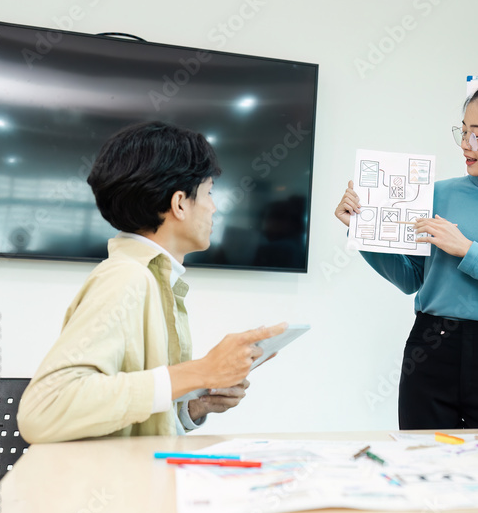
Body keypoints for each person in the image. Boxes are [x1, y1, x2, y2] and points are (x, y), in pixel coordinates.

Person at [19, 121, 286, 443]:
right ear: (179, 204)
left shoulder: (152, 277)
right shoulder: (127, 278)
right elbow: (44, 410)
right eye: (209, 192)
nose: (214, 207)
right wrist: (201, 371)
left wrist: (193, 407)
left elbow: (125, 416)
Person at [335, 72, 478, 429]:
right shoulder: (438, 193)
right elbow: (410, 278)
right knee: (422, 469)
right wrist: (363, 230)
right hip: (429, 347)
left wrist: (468, 251)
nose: (465, 143)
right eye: (462, 131)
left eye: (477, 133)